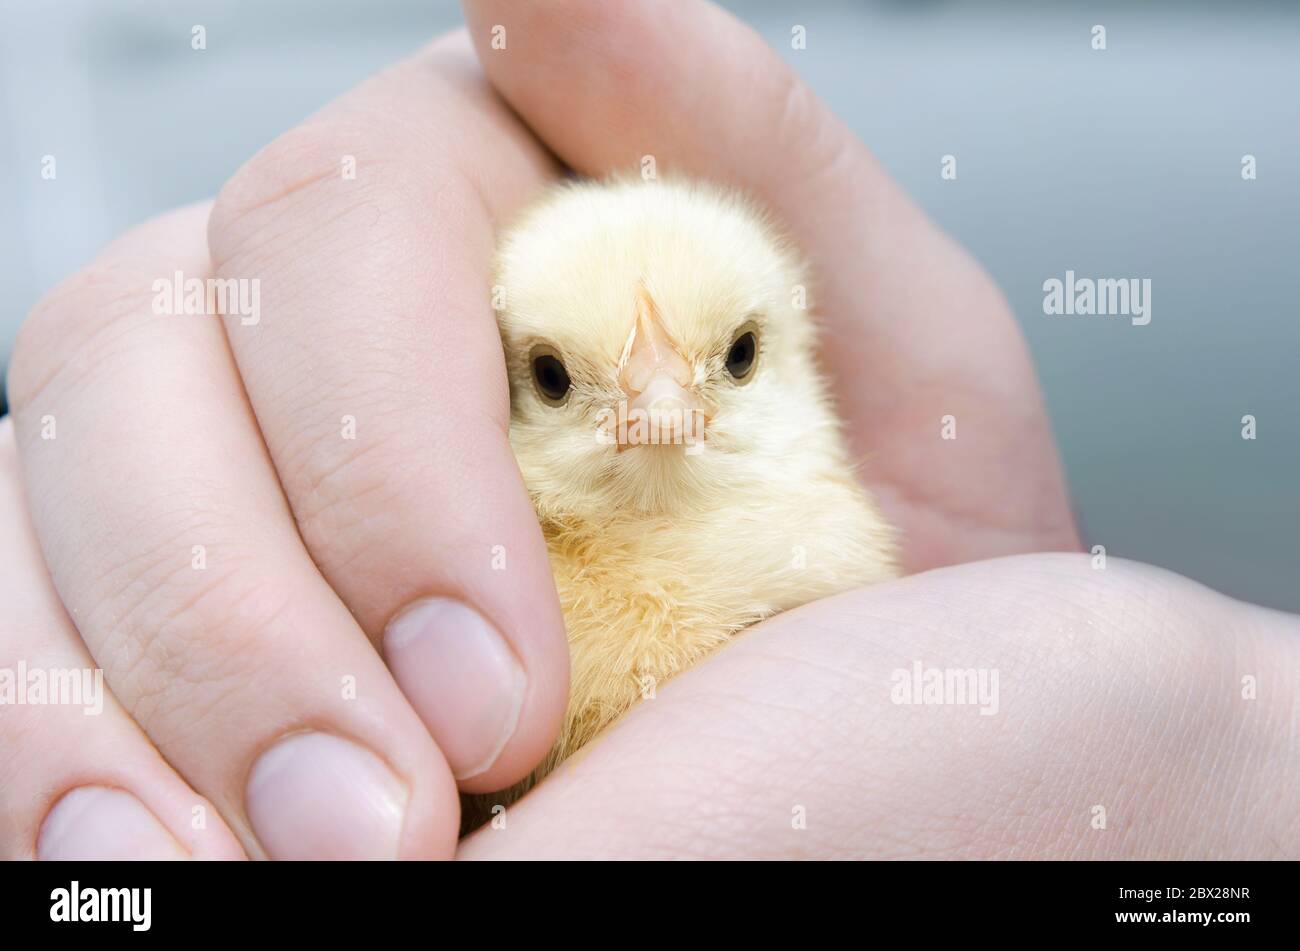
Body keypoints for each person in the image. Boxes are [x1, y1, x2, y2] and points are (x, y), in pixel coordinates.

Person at [1, 0, 1294, 860]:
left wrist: (1226, 792)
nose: (661, 404)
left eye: (728, 359)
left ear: (782, 357)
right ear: (497, 390)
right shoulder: (487, 613)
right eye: (560, 379)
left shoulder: (866, 579)